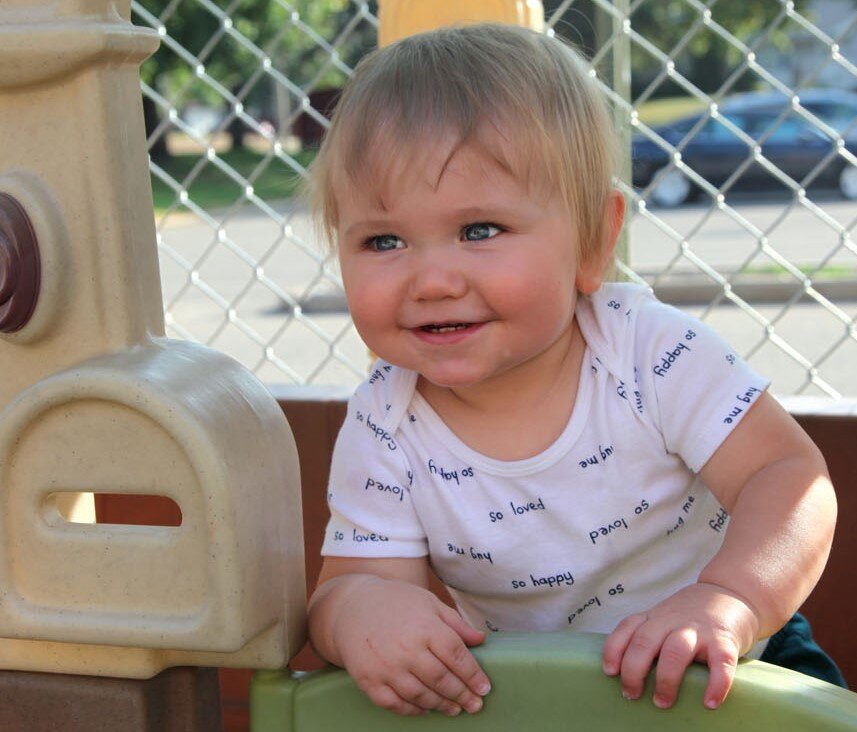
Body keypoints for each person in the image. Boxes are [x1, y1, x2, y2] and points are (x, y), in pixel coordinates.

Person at [305, 22, 841, 719]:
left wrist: (732, 599)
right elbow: (348, 586)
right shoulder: (384, 422)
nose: (431, 279)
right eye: (382, 240)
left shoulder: (650, 354)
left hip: (729, 664)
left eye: (478, 230)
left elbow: (790, 481)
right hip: (523, 694)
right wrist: (361, 616)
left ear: (592, 241)